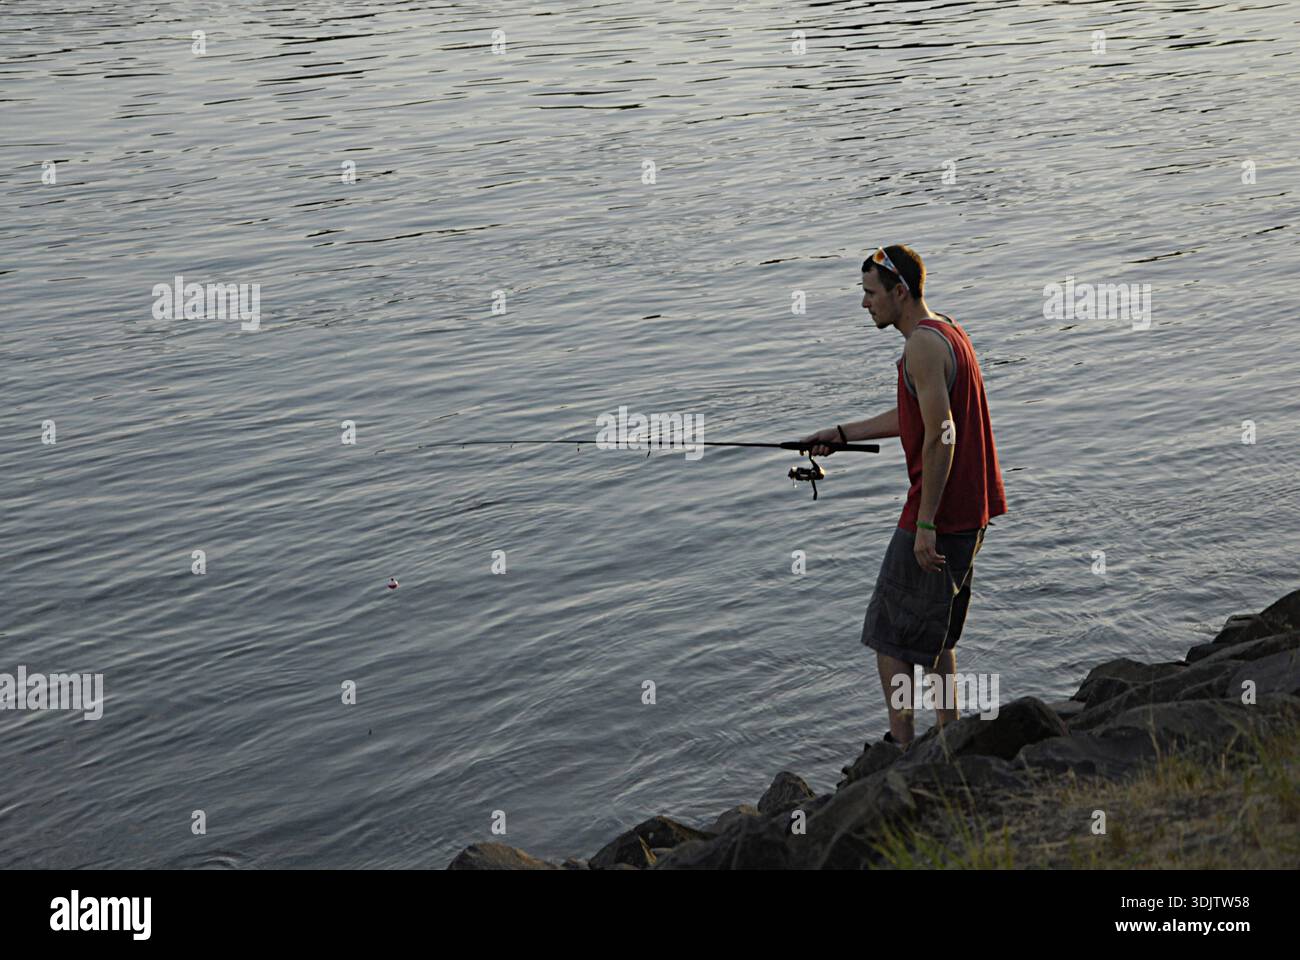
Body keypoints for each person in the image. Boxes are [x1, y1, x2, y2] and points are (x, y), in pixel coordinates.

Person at [803, 245, 1008, 749]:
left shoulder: (920, 345)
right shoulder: (948, 330)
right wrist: (841, 433)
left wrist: (926, 523)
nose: (865, 304)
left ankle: (901, 748)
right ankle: (950, 735)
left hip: (941, 513)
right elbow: (916, 416)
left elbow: (943, 435)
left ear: (900, 291)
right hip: (971, 512)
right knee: (936, 633)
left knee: (887, 633)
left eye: (872, 294)